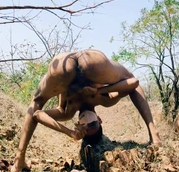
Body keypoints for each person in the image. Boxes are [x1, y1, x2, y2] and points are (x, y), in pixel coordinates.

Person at [10, 49, 161, 172]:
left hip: (63, 65)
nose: (88, 124)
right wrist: (99, 90)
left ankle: (19, 160)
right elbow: (133, 82)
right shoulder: (104, 100)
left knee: (38, 99)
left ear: (79, 124)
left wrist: (70, 133)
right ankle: (154, 135)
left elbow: (37, 114)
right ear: (99, 120)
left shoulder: (67, 112)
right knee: (122, 73)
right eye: (93, 125)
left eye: (85, 128)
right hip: (93, 62)